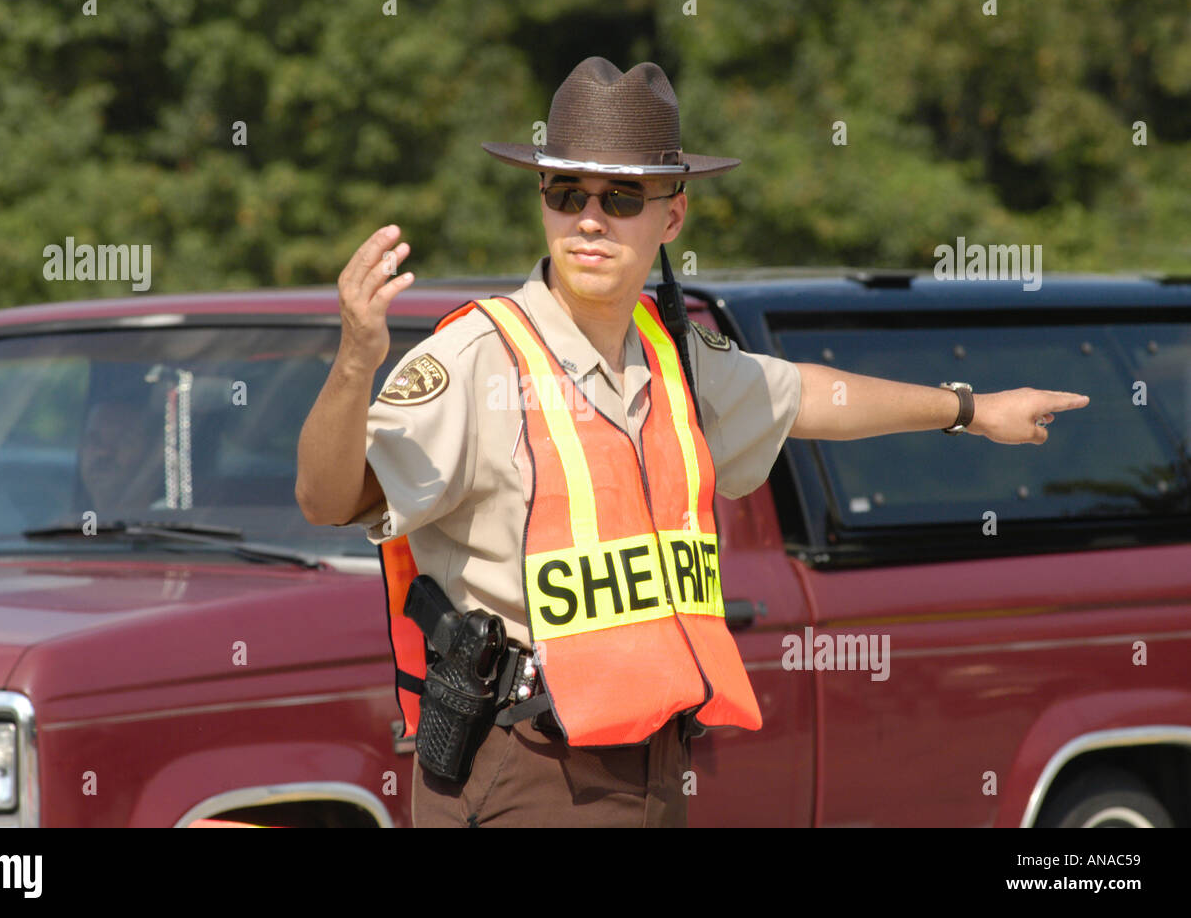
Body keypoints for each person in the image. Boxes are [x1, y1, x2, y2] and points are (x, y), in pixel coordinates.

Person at [295, 56, 1090, 827]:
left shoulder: (669, 350)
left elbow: (808, 395)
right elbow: (327, 499)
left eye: (621, 196)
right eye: (566, 191)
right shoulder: (476, 356)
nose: (590, 218)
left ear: (672, 215)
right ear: (542, 201)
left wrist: (969, 408)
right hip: (521, 770)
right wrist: (354, 366)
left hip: (656, 766)